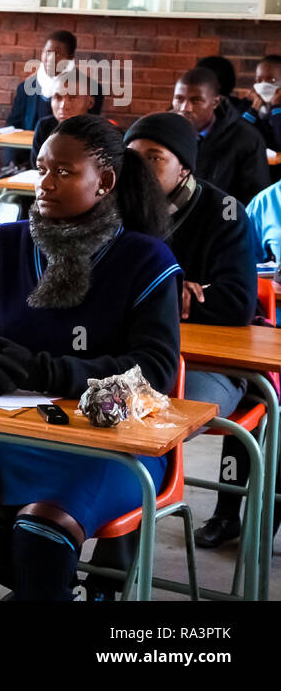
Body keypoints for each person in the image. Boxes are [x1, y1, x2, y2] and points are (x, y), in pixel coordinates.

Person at [0, 114, 181, 600]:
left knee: (42, 530)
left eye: (63, 172)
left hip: (115, 439)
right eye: (42, 168)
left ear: (104, 182)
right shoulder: (1, 245)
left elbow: (154, 374)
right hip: (18, 428)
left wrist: (46, 371)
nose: (44, 183)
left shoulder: (145, 260)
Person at [120, 112, 260, 561]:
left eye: (155, 158)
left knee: (147, 428)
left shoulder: (225, 213)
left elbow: (236, 303)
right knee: (94, 422)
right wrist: (173, 292)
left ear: (184, 168)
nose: (140, 169)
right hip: (132, 354)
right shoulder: (116, 206)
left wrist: (151, 292)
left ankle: (113, 564)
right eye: (132, 157)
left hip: (209, 363)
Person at [5, 30, 104, 167]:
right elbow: (12, 127)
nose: (50, 58)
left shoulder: (91, 89)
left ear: (70, 57)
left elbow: (90, 129)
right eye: (47, 52)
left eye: (57, 53)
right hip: (26, 158)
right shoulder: (26, 88)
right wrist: (11, 163)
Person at [172, 67, 269, 206]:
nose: (184, 108)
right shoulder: (163, 131)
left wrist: (224, 218)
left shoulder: (246, 138)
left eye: (196, 100)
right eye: (179, 99)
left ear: (215, 102)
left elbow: (254, 201)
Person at [29, 70, 101, 164]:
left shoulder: (100, 132)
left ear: (90, 102)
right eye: (58, 97)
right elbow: (37, 165)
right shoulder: (44, 126)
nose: (63, 106)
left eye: (73, 97)